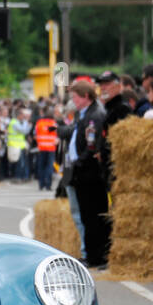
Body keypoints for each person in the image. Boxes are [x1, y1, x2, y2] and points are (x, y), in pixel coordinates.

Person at [65, 80, 110, 268]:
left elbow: (91, 146)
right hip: (82, 172)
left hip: (89, 173)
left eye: (75, 97)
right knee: (86, 215)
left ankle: (95, 255)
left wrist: (78, 162)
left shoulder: (94, 115)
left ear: (85, 96)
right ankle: (92, 254)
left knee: (92, 216)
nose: (73, 100)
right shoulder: (84, 114)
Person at [32, 108, 57, 191]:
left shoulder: (39, 123)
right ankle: (48, 185)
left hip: (41, 148)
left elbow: (34, 134)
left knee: (41, 166)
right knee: (49, 167)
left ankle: (41, 184)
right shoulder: (53, 124)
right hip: (51, 148)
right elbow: (57, 134)